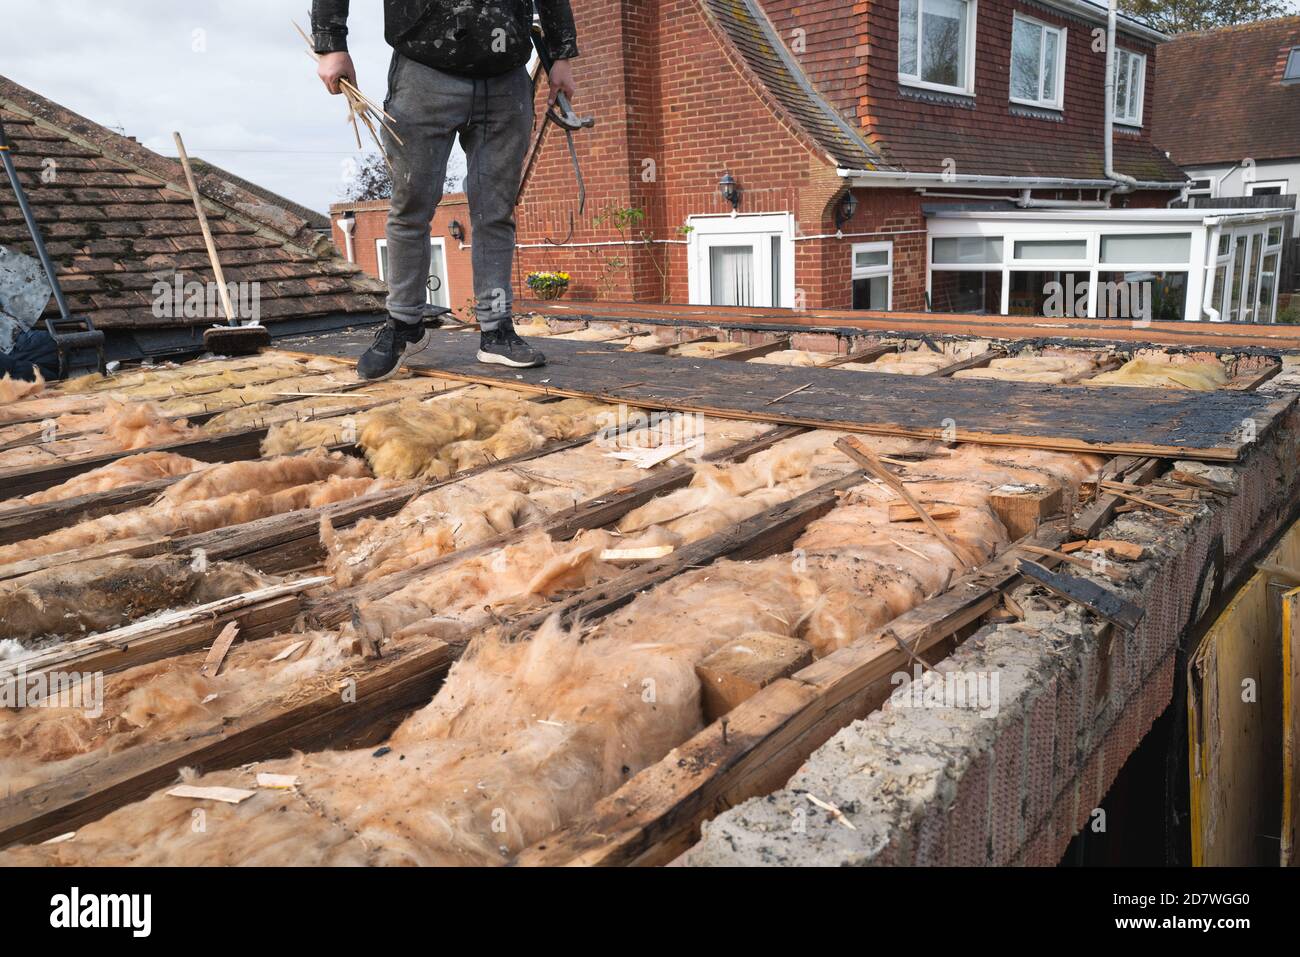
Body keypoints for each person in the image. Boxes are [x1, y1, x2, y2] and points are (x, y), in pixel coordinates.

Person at [311, 1, 580, 380]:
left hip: (506, 77)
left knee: (495, 210)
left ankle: (496, 331)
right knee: (411, 205)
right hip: (424, 71)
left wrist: (561, 54)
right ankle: (405, 324)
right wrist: (330, 42)